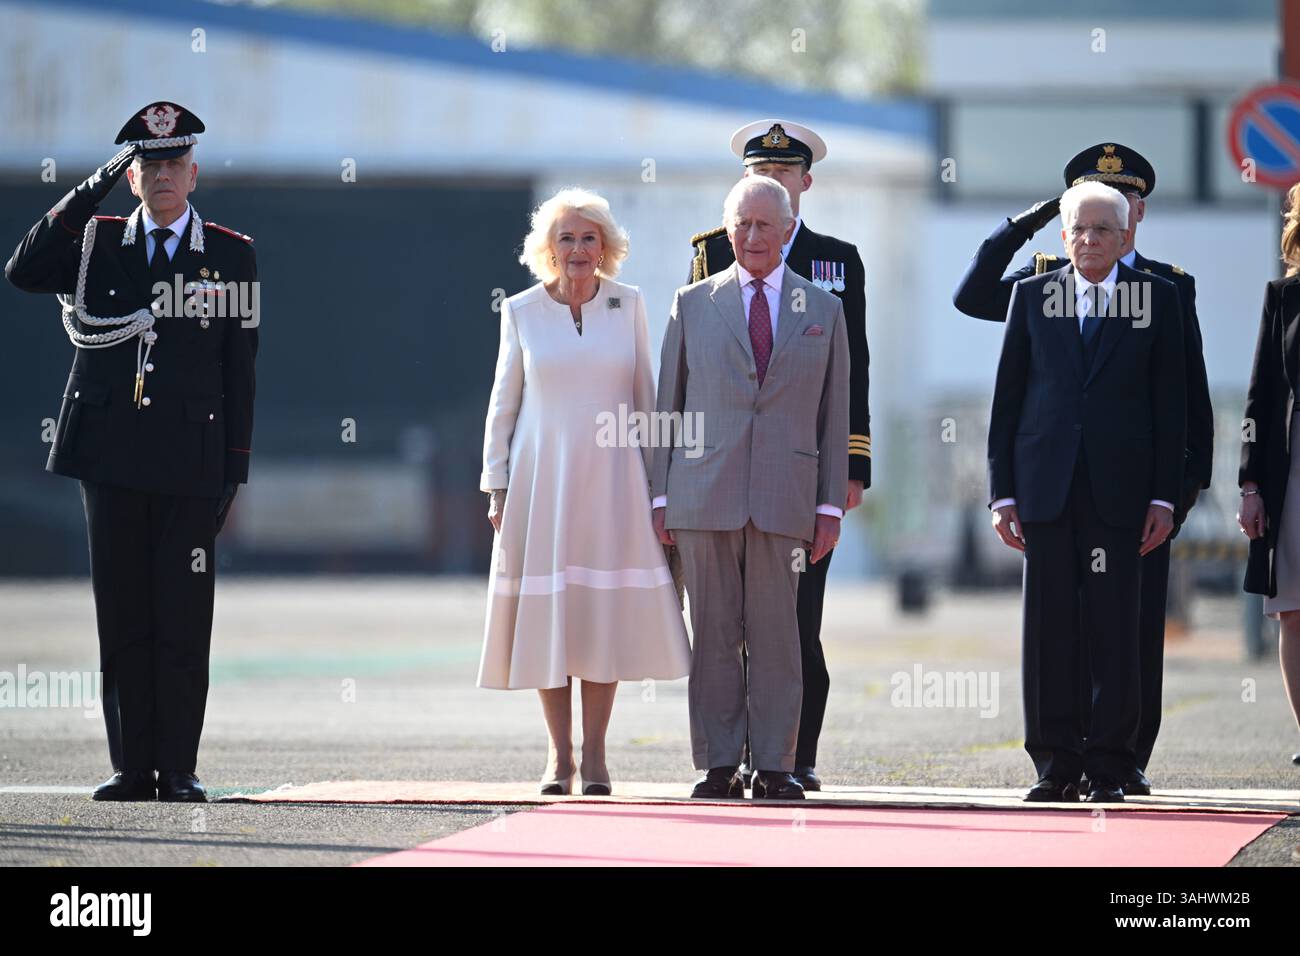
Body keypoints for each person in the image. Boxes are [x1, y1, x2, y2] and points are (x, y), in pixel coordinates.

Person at [4, 102, 258, 802]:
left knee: (182, 614)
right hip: (110, 457)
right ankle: (131, 765)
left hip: (190, 460)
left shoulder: (230, 254)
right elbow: (23, 270)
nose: (162, 174)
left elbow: (242, 370)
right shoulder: (96, 241)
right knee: (121, 612)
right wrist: (90, 190)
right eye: (147, 164)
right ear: (132, 176)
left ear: (194, 174)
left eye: (174, 162)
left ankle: (177, 766)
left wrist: (231, 471)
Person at [954, 143, 1212, 795]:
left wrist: (1175, 495)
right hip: (1050, 486)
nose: (1093, 234)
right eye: (1080, 222)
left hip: (1132, 492)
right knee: (1051, 631)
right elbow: (996, 361)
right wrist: (1033, 219)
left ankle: (1119, 758)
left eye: (1110, 217)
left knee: (1127, 627)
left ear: (1134, 218)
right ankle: (1057, 759)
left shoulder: (1166, 289)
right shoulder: (1040, 285)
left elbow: (1186, 403)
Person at [478, 188, 690, 796]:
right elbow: (504, 402)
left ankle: (595, 757)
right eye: (566, 238)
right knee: (552, 612)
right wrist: (497, 483)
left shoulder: (632, 303)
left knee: (601, 612)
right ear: (549, 248)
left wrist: (660, 489)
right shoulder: (519, 310)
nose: (577, 249)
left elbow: (646, 397)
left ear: (606, 247)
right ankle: (558, 758)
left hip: (617, 482)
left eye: (588, 237)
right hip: (541, 481)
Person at [686, 119, 871, 791]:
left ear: (805, 185)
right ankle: (728, 755)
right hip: (721, 477)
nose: (768, 186)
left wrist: (850, 466)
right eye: (756, 176)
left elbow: (855, 372)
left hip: (797, 473)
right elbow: (694, 369)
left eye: (782, 175)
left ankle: (792, 755)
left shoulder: (836, 260)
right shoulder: (709, 254)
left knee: (796, 622)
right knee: (722, 625)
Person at [653, 175, 849, 800]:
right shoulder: (691, 303)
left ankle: (775, 763)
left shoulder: (823, 308)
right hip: (702, 498)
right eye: (742, 224)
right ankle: (715, 763)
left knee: (778, 635)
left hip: (784, 497)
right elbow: (667, 406)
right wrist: (661, 497)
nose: (753, 235)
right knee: (711, 631)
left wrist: (828, 504)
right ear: (727, 229)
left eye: (766, 225)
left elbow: (834, 414)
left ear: (789, 230)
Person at [1237, 181, 1300, 797]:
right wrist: (1251, 483)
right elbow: (1262, 394)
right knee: (1295, 606)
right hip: (1295, 462)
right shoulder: (1284, 296)